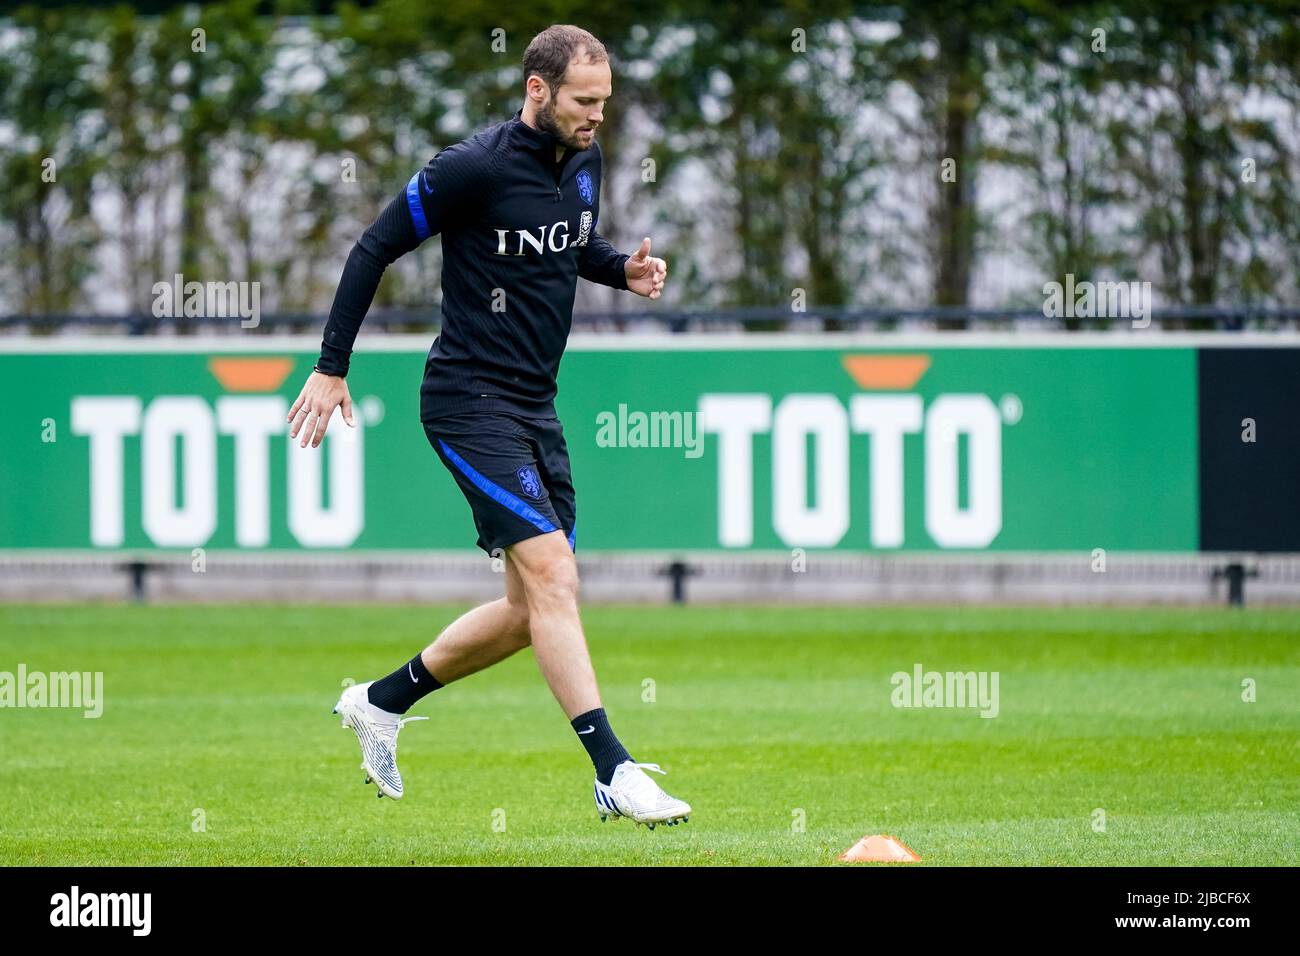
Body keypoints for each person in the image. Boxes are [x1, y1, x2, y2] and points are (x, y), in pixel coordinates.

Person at [288, 24, 690, 828]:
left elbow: (570, 245)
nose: (597, 116)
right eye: (584, 101)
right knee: (555, 578)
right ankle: (613, 769)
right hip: (467, 401)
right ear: (537, 89)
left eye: (605, 102)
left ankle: (380, 701)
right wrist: (333, 367)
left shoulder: (584, 159)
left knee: (527, 611)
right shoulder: (470, 167)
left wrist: (622, 269)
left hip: (537, 406)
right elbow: (373, 247)